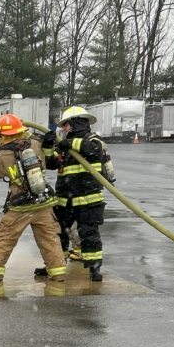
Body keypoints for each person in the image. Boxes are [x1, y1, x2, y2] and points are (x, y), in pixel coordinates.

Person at [0, 114, 67, 283]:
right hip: (44, 202)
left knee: (4, 238)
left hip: (21, 206)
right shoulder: (36, 144)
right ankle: (58, 273)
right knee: (50, 239)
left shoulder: (5, 154)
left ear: (2, 135)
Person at [39, 106, 107, 281]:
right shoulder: (64, 144)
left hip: (88, 199)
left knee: (89, 234)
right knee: (58, 233)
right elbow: (52, 163)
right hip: (65, 200)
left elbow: (91, 150)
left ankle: (94, 269)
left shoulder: (94, 140)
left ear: (77, 123)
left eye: (67, 125)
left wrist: (66, 143)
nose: (64, 129)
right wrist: (47, 145)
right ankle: (56, 265)